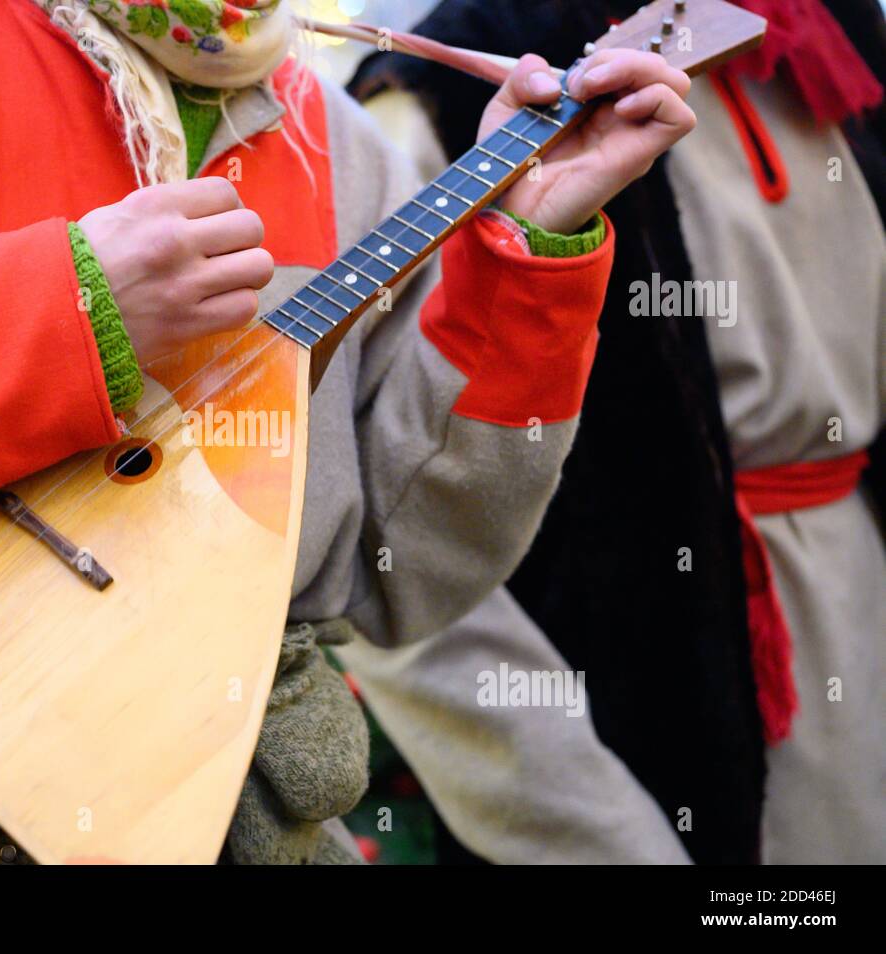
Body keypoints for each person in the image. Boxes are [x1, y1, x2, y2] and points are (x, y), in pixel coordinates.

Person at [0, 0, 695, 864]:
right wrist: (55, 316)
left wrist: (523, 251)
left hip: (268, 825)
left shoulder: (343, 144)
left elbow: (399, 577)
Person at [341, 0, 886, 864]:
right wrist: (595, 839)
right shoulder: (452, 82)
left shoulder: (829, 40)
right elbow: (382, 558)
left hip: (857, 615)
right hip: (626, 682)